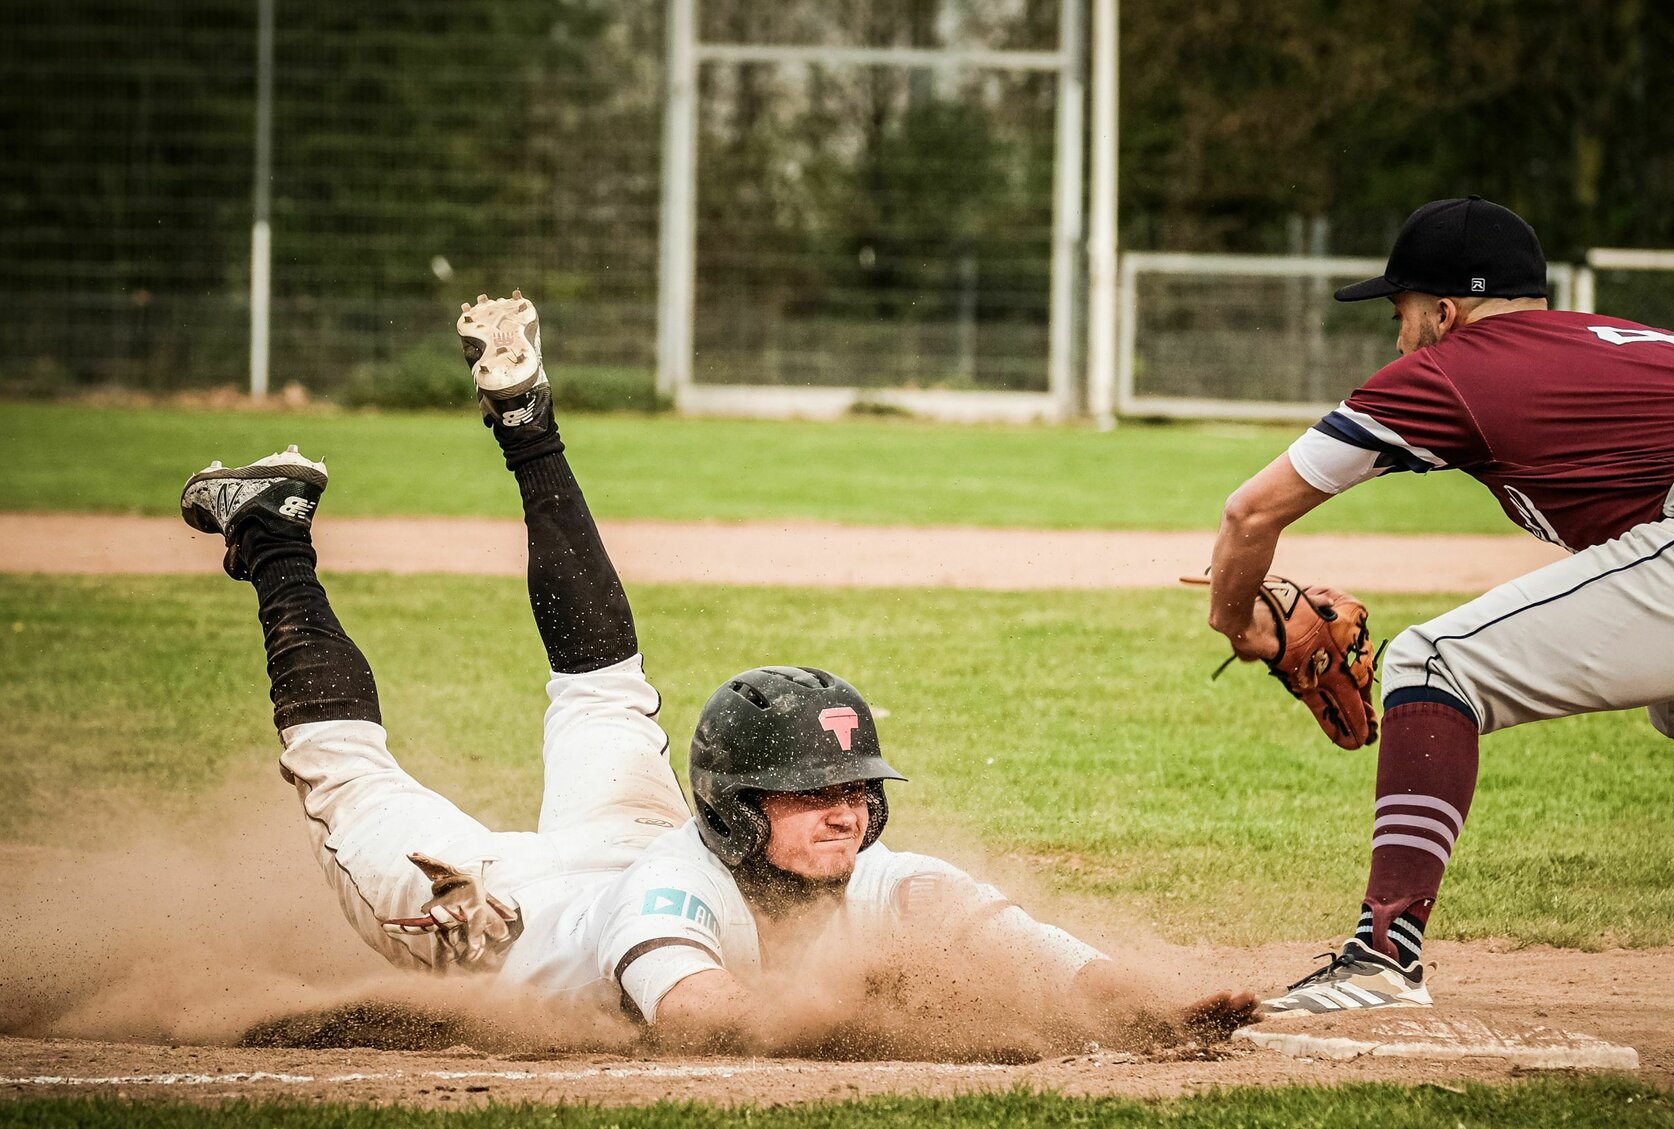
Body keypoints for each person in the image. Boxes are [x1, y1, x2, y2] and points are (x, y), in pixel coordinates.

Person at [181, 292, 1256, 1049]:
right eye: (813, 793)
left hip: (612, 842)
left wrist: (1152, 1008)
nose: (844, 814)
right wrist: (886, 1025)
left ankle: (525, 420)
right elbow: (703, 1019)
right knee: (352, 777)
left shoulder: (881, 879)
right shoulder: (672, 891)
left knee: (603, 683)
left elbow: (1040, 957)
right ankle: (273, 533)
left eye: (854, 792)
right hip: (483, 912)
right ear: (739, 811)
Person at [1205, 197, 1674, 1023]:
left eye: (1399, 311)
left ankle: (1380, 961)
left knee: (1432, 662)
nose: (1396, 336)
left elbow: (1249, 512)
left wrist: (1239, 624)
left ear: (1445, 311)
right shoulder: (1612, 340)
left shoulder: (1448, 368)